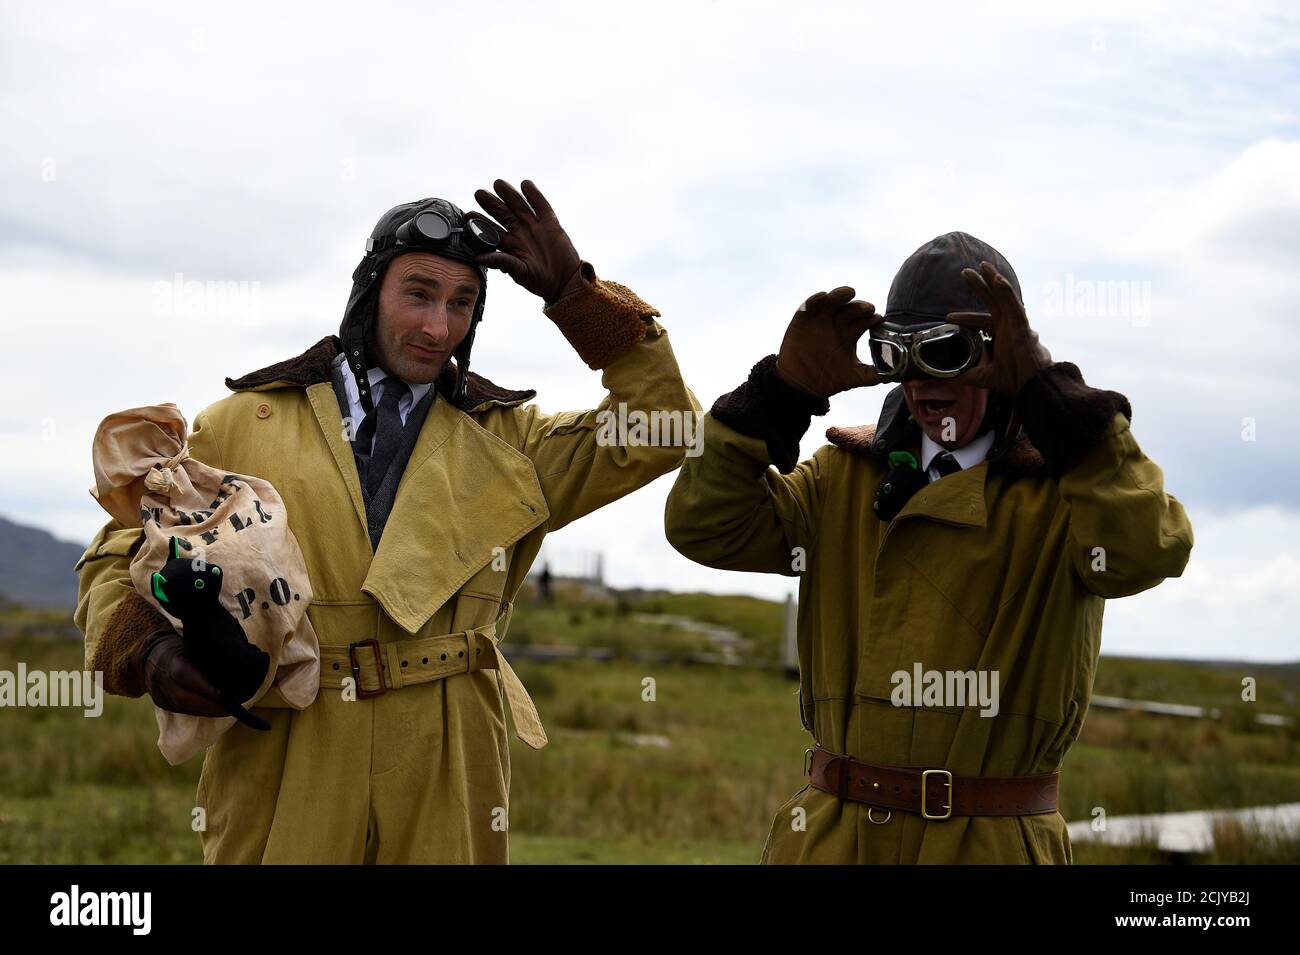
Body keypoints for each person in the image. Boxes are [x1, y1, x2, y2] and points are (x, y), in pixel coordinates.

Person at [74, 180, 698, 863]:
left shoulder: (513, 443)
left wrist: (577, 296)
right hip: (289, 739)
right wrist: (148, 651)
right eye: (419, 294)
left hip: (448, 747)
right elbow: (121, 550)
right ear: (370, 292)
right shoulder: (242, 425)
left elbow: (664, 427)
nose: (438, 328)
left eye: (462, 303)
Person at [664, 231, 1192, 863]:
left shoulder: (1068, 493)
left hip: (987, 842)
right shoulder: (842, 479)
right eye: (898, 354)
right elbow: (705, 524)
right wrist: (778, 393)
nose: (920, 380)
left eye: (945, 352)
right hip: (835, 839)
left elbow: (1147, 550)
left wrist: (1055, 401)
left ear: (1002, 356)